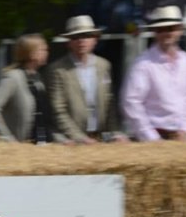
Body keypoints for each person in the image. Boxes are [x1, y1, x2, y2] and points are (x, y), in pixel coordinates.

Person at [48, 15, 127, 144]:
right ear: (68, 42)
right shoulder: (57, 70)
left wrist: (115, 132)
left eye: (86, 35)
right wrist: (79, 138)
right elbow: (58, 111)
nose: (81, 41)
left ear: (95, 39)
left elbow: (110, 104)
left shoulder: (104, 65)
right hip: (71, 141)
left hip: (100, 137)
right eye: (75, 37)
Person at [122, 6, 186, 141]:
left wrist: (185, 128)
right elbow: (131, 102)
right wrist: (152, 138)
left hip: (180, 135)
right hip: (155, 135)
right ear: (154, 32)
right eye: (160, 29)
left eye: (171, 28)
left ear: (180, 30)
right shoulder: (143, 64)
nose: (166, 33)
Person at [0, 33, 65, 144]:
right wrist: (6, 137)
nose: (47, 52)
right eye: (43, 49)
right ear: (32, 53)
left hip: (40, 147)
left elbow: (42, 118)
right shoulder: (13, 78)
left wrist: (60, 139)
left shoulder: (38, 80)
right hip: (19, 151)